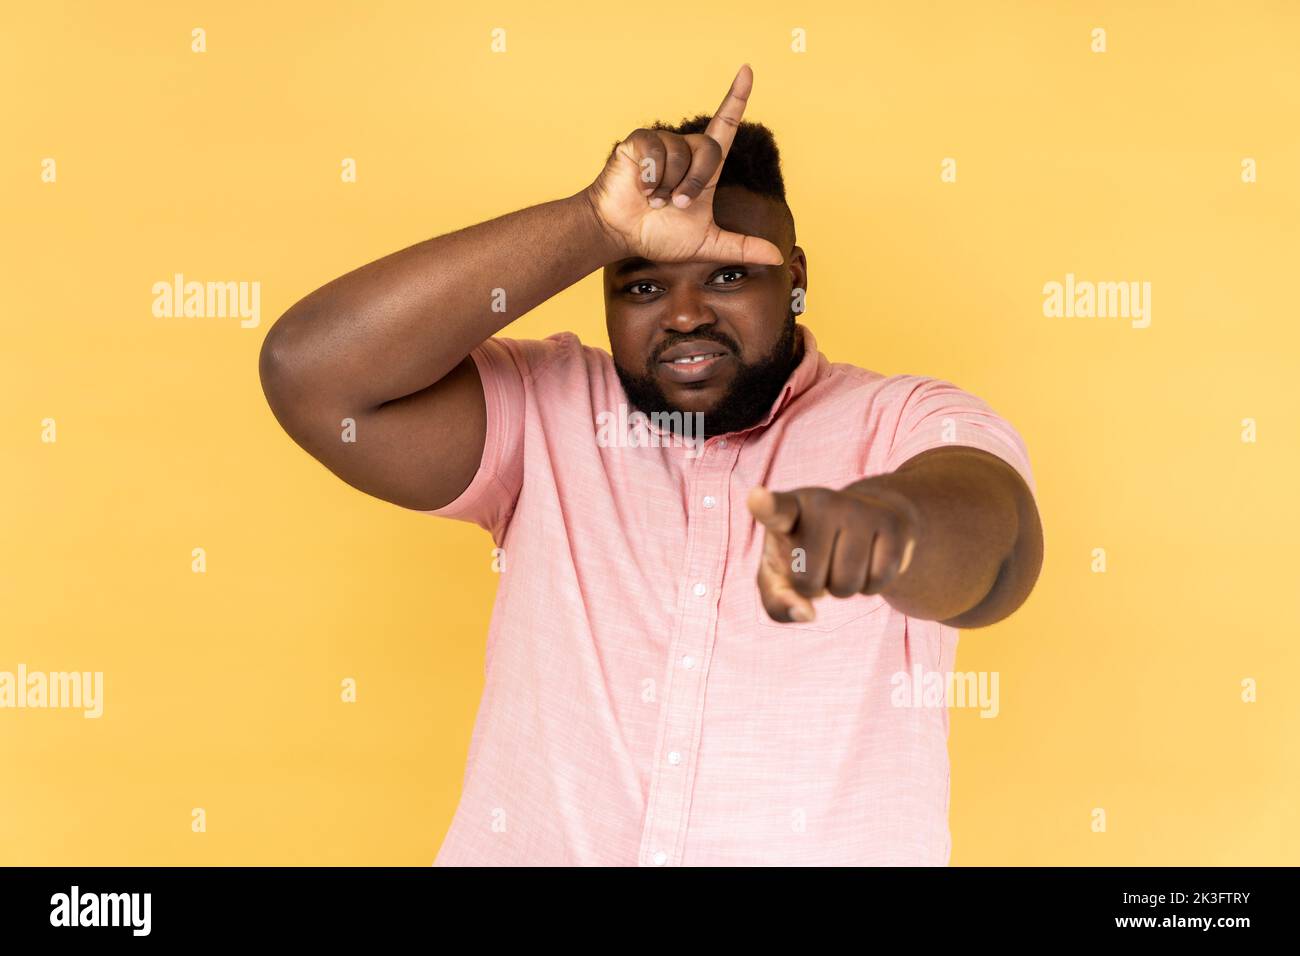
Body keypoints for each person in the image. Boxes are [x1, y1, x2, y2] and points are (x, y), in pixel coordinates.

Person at [259, 65, 1045, 866]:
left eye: (729, 274)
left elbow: (1002, 555)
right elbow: (311, 375)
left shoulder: (903, 422)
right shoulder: (545, 410)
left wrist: (892, 529)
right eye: (641, 283)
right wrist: (595, 222)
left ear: (797, 279)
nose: (684, 315)